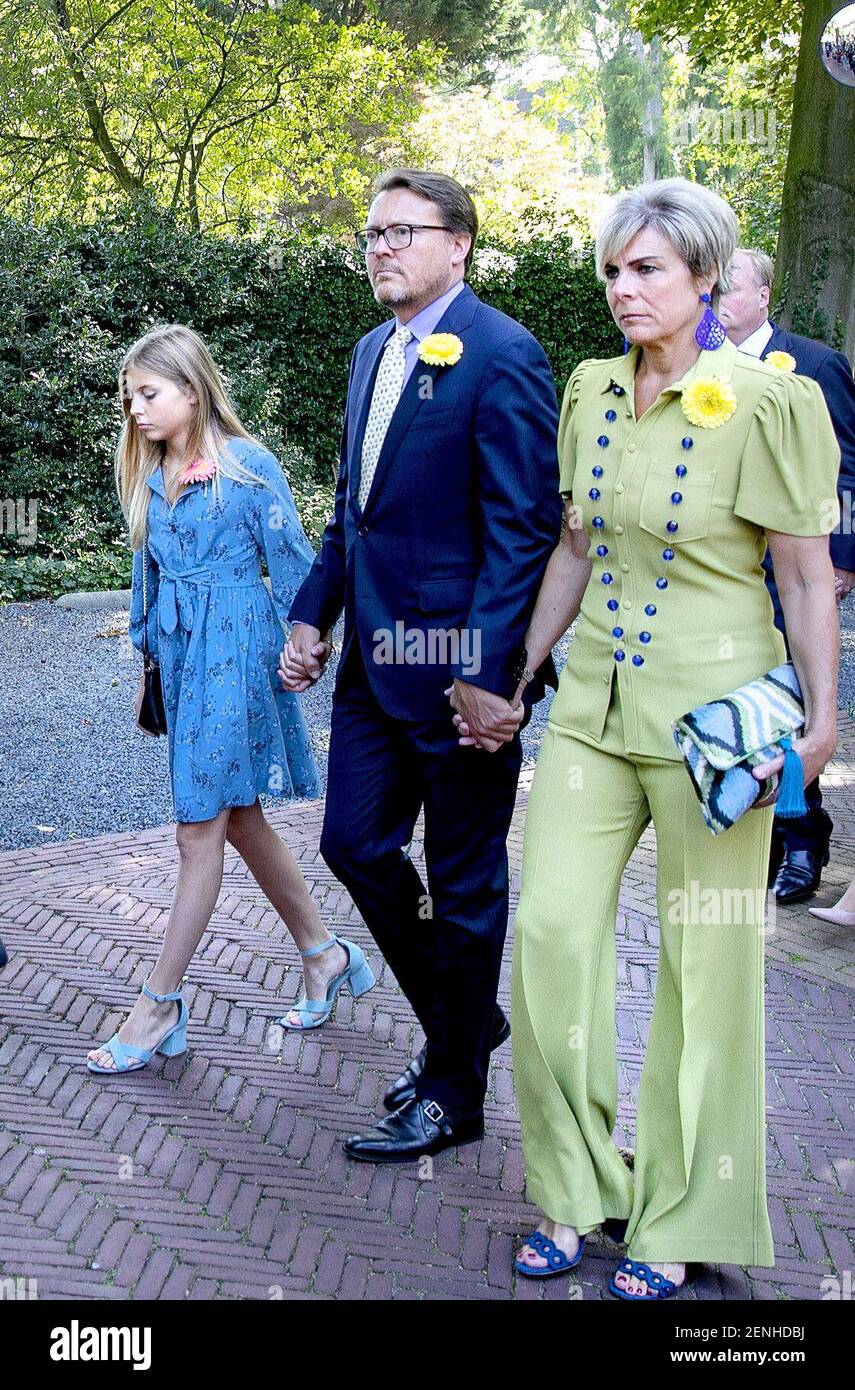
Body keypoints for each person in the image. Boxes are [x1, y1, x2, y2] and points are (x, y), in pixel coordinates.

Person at [506, 178, 839, 1297]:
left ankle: (682, 1215)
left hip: (718, 728)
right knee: (549, 938)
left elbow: (804, 572)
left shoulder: (773, 401)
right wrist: (515, 669)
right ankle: (575, 1186)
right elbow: (570, 545)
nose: (622, 288)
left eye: (647, 268)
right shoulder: (591, 386)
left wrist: (825, 719)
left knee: (709, 967)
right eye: (613, 268)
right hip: (592, 710)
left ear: (708, 277)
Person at [279, 169, 561, 1162]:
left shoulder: (504, 354)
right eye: (371, 233)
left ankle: (454, 1092)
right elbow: (355, 506)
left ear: (460, 244)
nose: (381, 247)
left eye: (403, 231)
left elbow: (526, 526)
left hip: (458, 678)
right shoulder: (369, 354)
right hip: (370, 670)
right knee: (352, 844)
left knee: (466, 878)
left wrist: (492, 672)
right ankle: (464, 1016)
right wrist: (313, 612)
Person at [86, 325, 375, 1074]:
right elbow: (146, 579)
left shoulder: (248, 468)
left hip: (238, 660)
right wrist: (148, 649)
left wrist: (307, 646)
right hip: (184, 664)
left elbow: (298, 566)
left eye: (148, 393)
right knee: (239, 818)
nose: (136, 410)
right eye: (129, 397)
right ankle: (324, 954)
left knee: (196, 833)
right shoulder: (149, 470)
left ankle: (159, 1005)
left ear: (192, 387)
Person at [719, 248, 855, 904]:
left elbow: (845, 472)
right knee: (741, 708)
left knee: (791, 708)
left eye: (730, 286)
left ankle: (801, 839)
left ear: (764, 296)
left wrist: (843, 558)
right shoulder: (693, 363)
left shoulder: (815, 365)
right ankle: (759, 832)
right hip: (719, 574)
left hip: (791, 572)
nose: (716, 297)